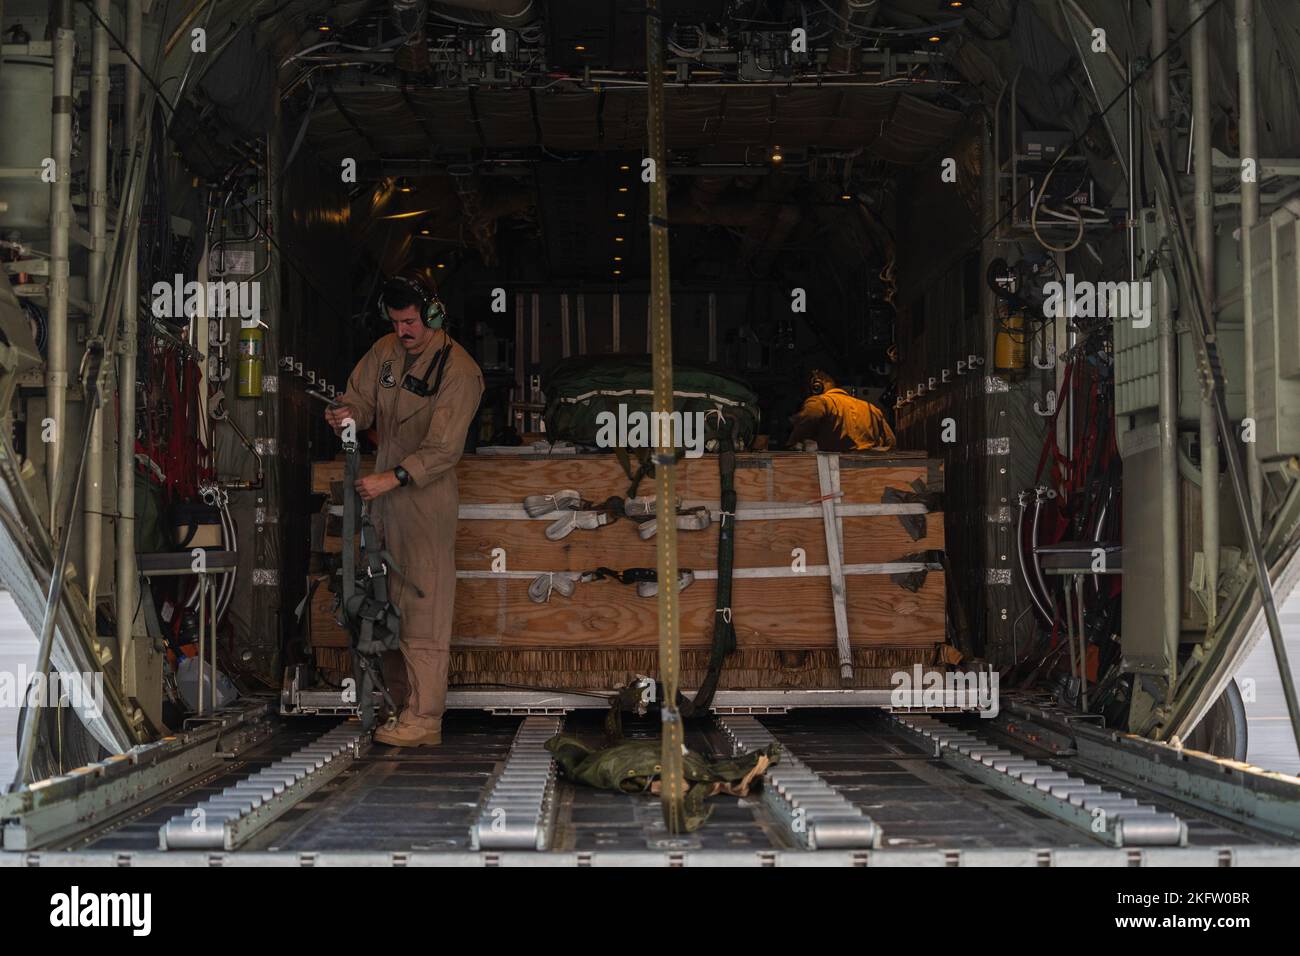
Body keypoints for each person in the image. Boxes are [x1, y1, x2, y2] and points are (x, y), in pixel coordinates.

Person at [325, 271, 484, 746]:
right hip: (382, 499)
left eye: (411, 321)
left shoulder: (460, 370)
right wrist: (346, 413)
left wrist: (391, 477)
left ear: (433, 314)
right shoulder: (385, 352)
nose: (403, 331)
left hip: (423, 499)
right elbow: (360, 399)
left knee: (423, 607)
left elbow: (442, 449)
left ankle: (426, 717)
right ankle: (398, 706)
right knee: (384, 604)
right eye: (396, 322)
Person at [787, 369, 896, 452]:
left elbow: (810, 418)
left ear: (817, 385)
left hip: (838, 471)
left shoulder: (819, 402)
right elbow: (891, 443)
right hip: (870, 471)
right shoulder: (871, 408)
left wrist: (792, 443)